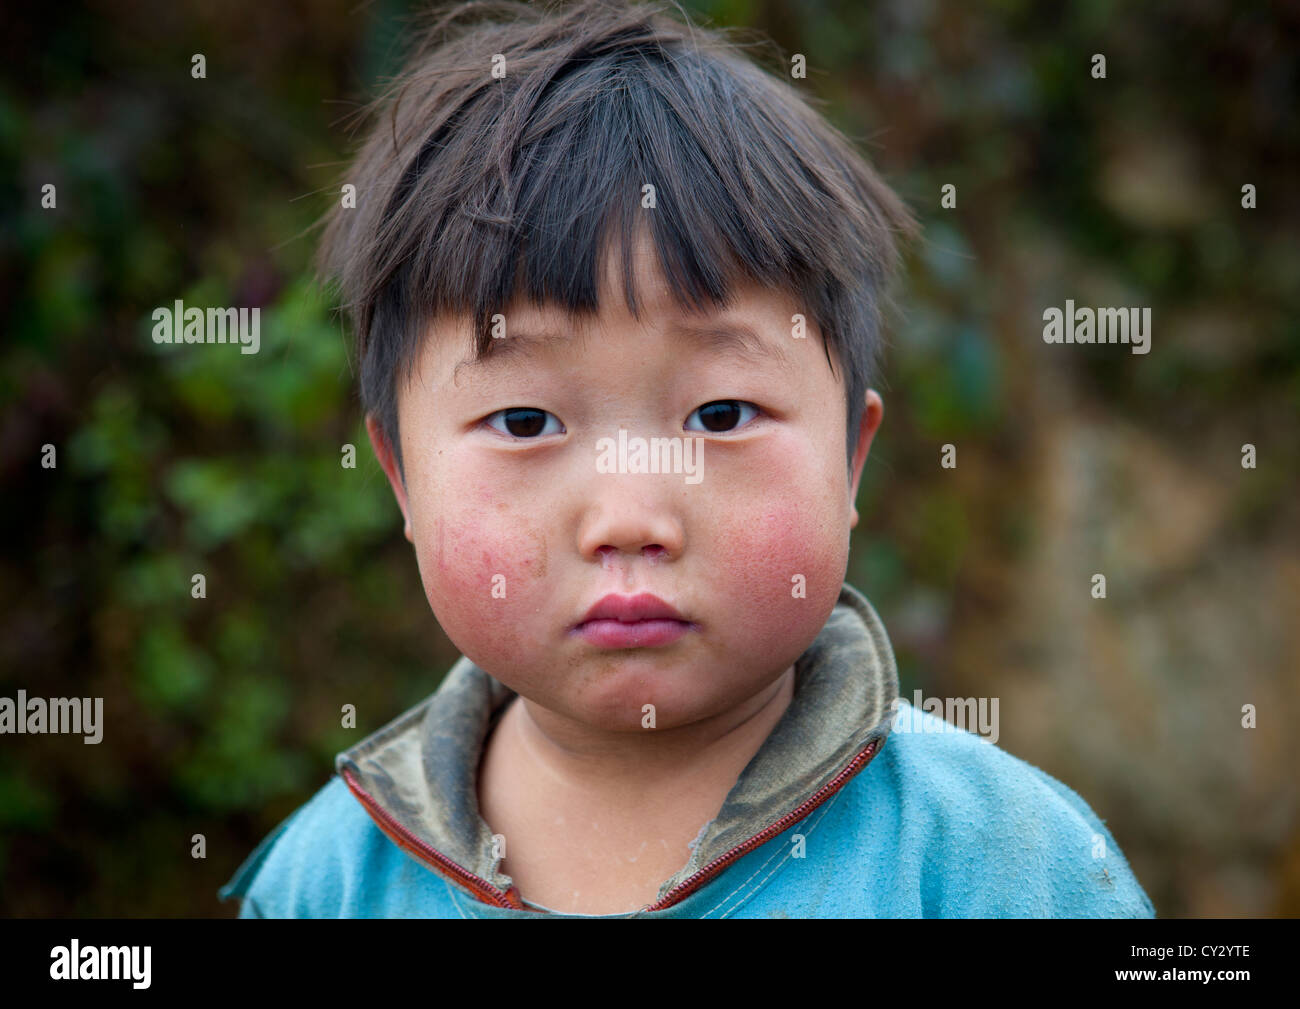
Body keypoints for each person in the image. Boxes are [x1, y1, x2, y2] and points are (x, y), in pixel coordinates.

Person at [220, 0, 1154, 918]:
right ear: (402, 479)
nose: (629, 518)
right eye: (524, 421)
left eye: (721, 414)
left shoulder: (998, 865)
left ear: (850, 459)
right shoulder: (328, 882)